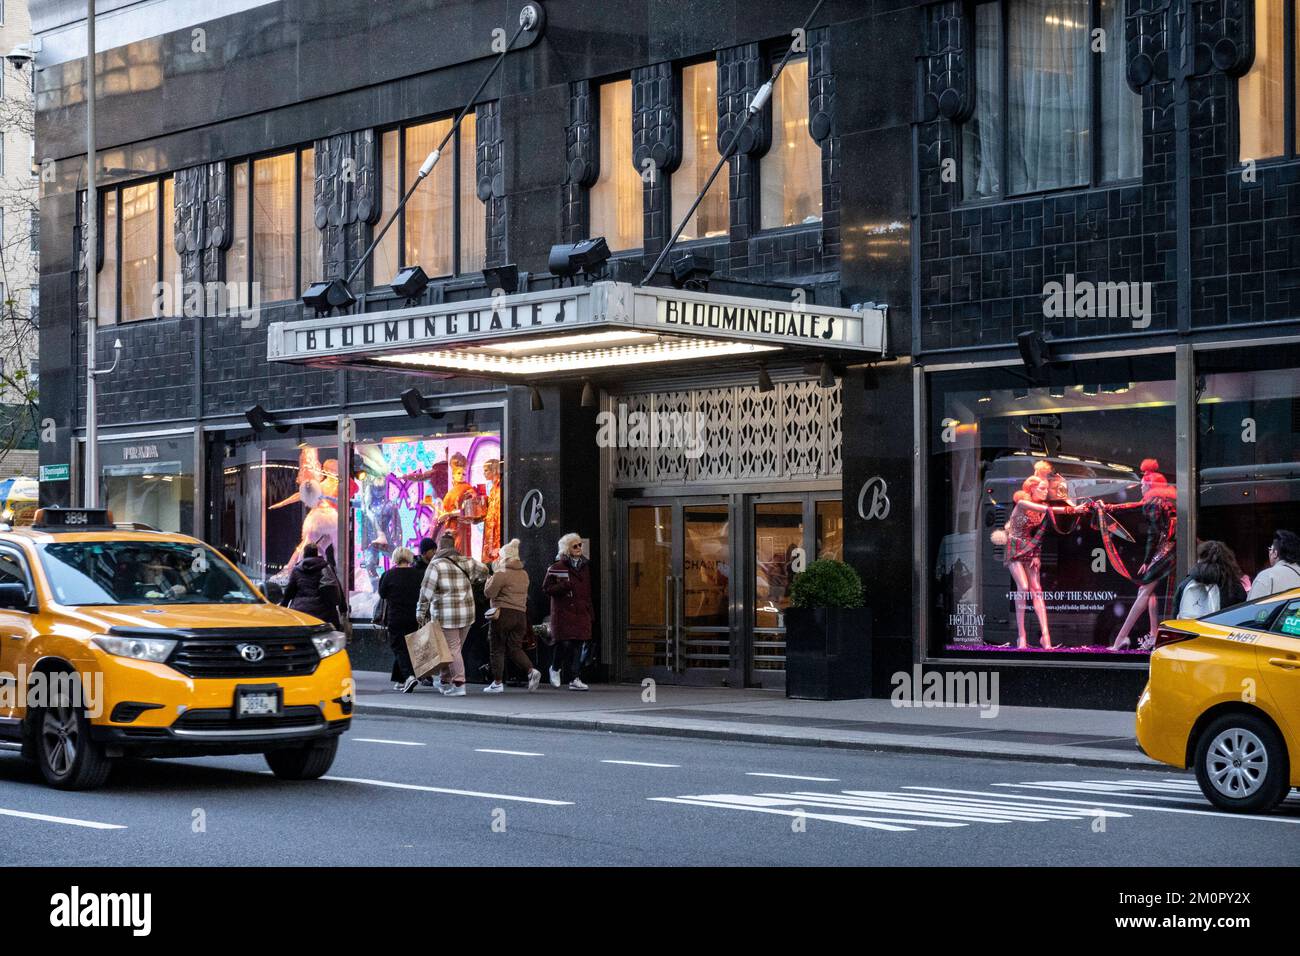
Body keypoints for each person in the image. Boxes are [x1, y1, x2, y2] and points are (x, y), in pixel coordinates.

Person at [995, 477, 1087, 649]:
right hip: (1015, 546)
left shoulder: (1039, 511)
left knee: (1037, 589)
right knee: (1023, 586)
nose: (1046, 492)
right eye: (1042, 488)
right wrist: (1072, 509)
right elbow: (1048, 509)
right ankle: (1021, 636)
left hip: (1031, 547)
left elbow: (1039, 533)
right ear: (1032, 489)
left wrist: (1037, 554)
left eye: (1046, 489)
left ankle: (1046, 636)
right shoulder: (1023, 503)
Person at [416, 530, 489, 696]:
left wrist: (420, 612)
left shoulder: (436, 565)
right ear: (454, 546)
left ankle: (459, 683)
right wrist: (474, 580)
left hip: (446, 614)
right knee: (454, 649)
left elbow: (425, 591)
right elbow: (485, 570)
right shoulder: (467, 562)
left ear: (440, 547)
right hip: (467, 613)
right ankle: (445, 680)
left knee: (452, 649)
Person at [482, 538, 541, 693]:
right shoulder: (524, 574)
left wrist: (489, 580)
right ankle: (531, 671)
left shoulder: (501, 573)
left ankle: (497, 682)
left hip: (502, 614)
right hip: (521, 615)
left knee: (497, 648)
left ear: (504, 557)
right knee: (515, 647)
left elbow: (489, 593)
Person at [542, 532, 594, 690]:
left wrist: (590, 611)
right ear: (567, 549)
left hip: (581, 611)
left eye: (580, 545)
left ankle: (575, 677)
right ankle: (555, 668)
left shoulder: (585, 566)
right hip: (564, 611)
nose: (579, 548)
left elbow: (587, 591)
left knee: (578, 643)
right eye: (575, 546)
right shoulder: (557, 567)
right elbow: (546, 588)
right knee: (564, 643)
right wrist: (564, 586)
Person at [378, 547, 426, 692]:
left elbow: (382, 594)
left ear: (395, 558)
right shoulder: (418, 575)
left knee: (398, 647)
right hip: (413, 616)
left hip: (395, 616)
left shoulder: (389, 575)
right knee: (407, 647)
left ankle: (409, 677)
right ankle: (399, 680)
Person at [1172, 541, 1248, 620]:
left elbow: (1175, 614)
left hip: (1190, 630)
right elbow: (1242, 616)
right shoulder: (1232, 585)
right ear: (1227, 560)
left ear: (1200, 558)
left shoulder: (1186, 584)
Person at [282, 543, 341, 628]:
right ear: (316, 553)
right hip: (324, 615)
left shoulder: (297, 570)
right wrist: (343, 608)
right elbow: (336, 587)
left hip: (301, 614)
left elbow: (289, 592)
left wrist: (282, 607)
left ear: (304, 554)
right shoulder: (326, 567)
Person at [1246, 530, 1300, 600]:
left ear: (1275, 553)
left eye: (1270, 549)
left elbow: (1252, 609)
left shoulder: (1267, 576)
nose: (1269, 552)